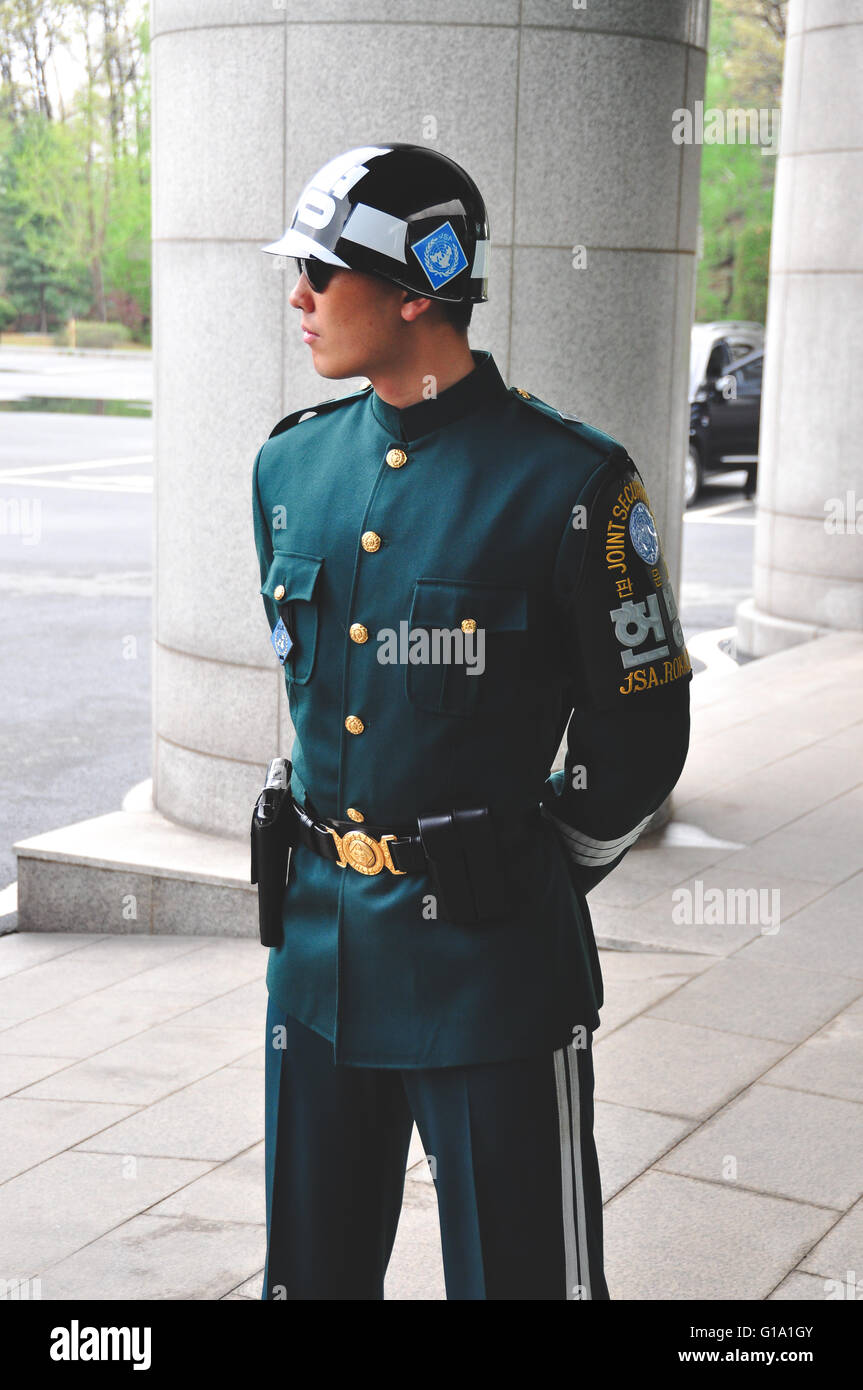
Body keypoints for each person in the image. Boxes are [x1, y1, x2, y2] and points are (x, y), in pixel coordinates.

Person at [251, 143, 692, 1301]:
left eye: (317, 269)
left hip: (490, 972)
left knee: (521, 1285)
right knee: (307, 1278)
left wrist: (528, 870)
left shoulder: (569, 486)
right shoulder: (291, 465)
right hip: (316, 966)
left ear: (413, 291)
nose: (294, 296)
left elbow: (639, 737)